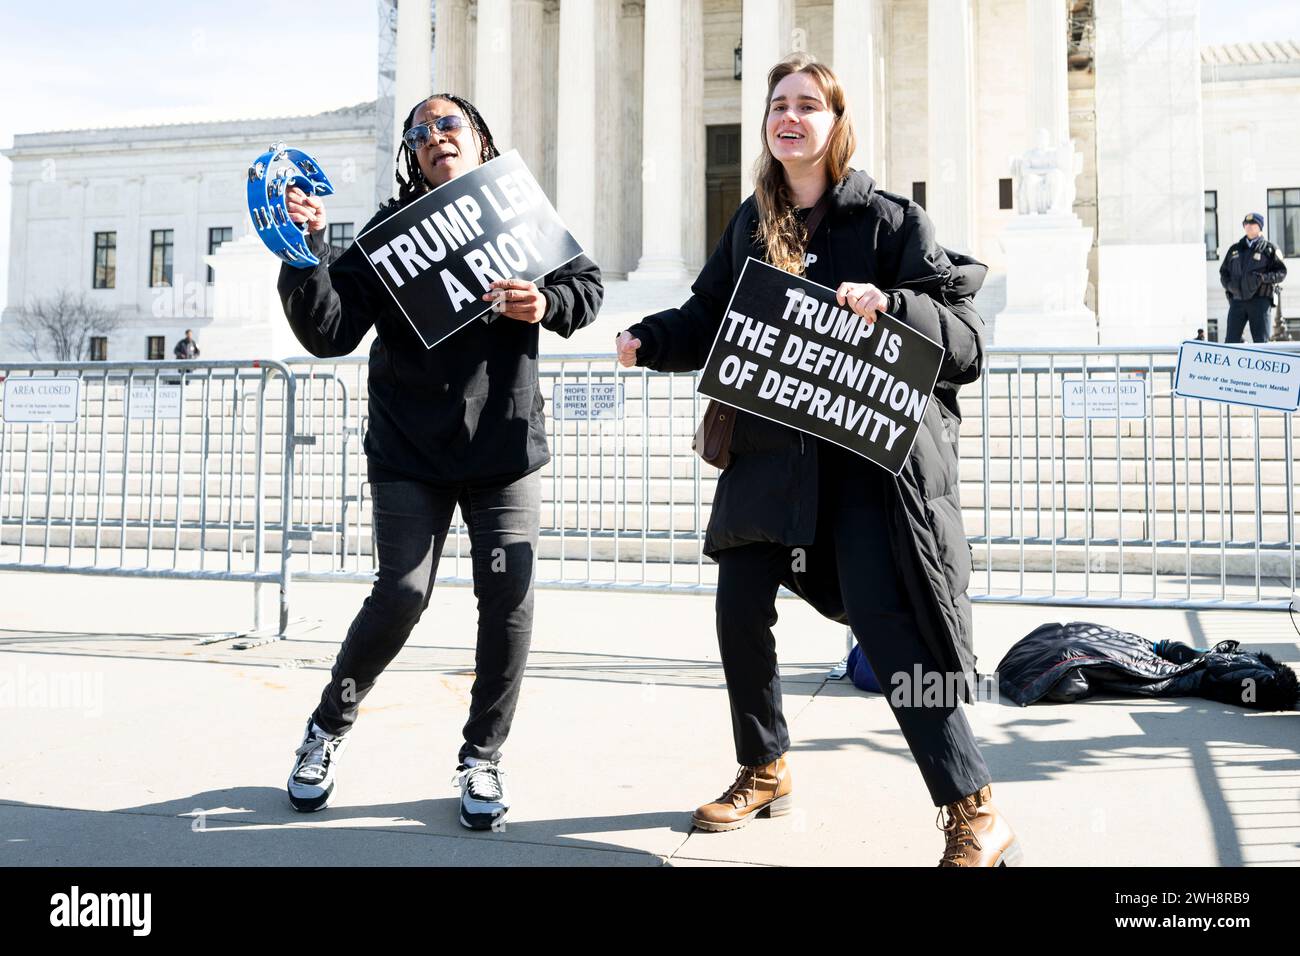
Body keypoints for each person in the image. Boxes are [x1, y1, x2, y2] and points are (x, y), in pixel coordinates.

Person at [615, 54, 1021, 867]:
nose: (788, 117)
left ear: (837, 124)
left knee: (894, 634)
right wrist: (648, 339)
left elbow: (967, 342)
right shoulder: (753, 223)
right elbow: (709, 313)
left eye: (808, 105)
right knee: (738, 615)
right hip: (769, 461)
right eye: (778, 105)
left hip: (865, 473)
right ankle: (763, 766)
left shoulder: (892, 223)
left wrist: (896, 307)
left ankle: (973, 806)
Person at [276, 93, 603, 829]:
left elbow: (587, 291)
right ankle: (327, 728)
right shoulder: (389, 235)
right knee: (400, 592)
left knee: (507, 601)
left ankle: (481, 755)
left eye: (448, 125)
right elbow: (330, 332)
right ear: (410, 155)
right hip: (409, 453)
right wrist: (307, 255)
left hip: (504, 448)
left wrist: (543, 303)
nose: (434, 138)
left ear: (480, 139)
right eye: (419, 133)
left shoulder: (519, 213)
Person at [1219, 212, 1287, 344]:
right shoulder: (1235, 249)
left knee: (1261, 342)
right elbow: (1223, 272)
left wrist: (1263, 278)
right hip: (1237, 301)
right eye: (1246, 224)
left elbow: (1281, 272)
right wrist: (1229, 286)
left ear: (1260, 227)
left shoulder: (1269, 249)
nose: (1248, 226)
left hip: (1260, 301)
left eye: (1252, 223)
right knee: (1230, 342)